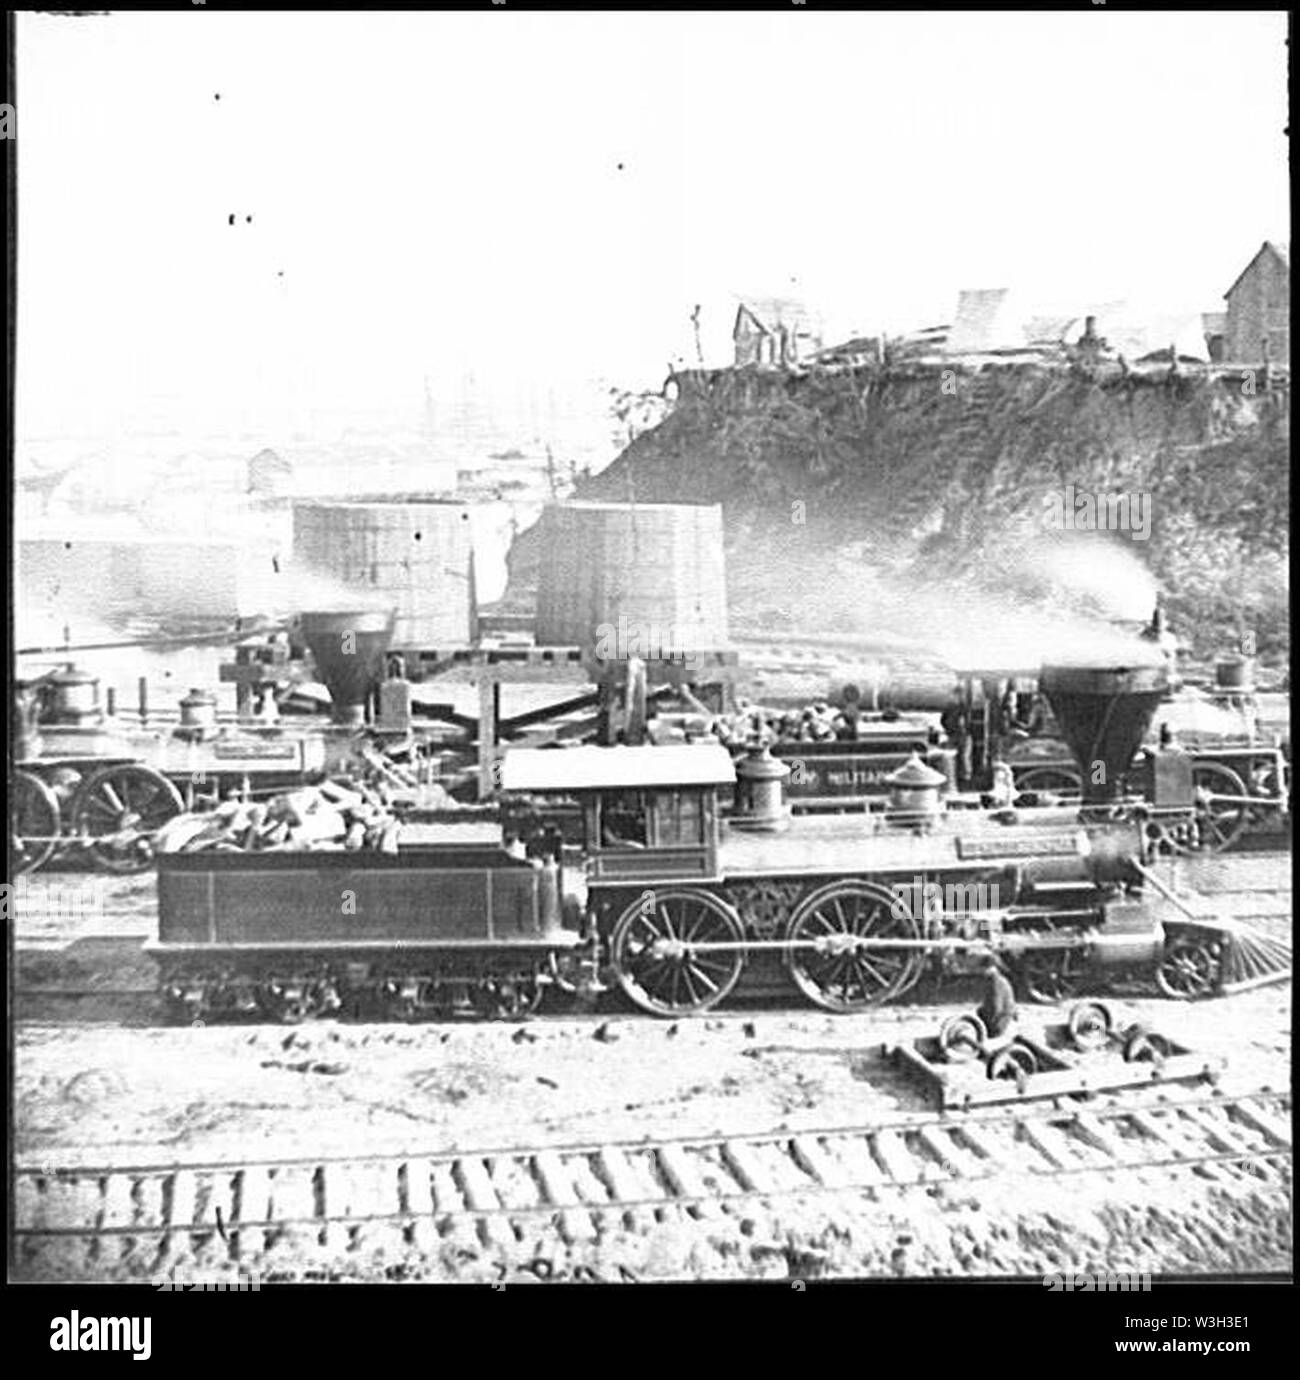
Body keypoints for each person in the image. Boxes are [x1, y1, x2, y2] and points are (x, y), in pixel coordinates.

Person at [976, 954, 1017, 1040]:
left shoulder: (996, 982)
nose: (983, 971)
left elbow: (996, 1007)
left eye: (985, 968)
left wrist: (987, 1024)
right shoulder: (996, 980)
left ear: (993, 968)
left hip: (1000, 1023)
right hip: (1003, 1017)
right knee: (979, 1011)